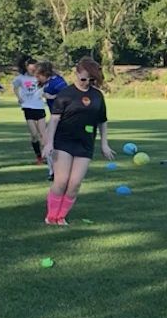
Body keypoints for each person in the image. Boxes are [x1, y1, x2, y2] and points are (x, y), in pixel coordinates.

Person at [41, 58, 115, 225]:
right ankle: (51, 216)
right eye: (83, 78)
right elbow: (53, 121)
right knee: (61, 181)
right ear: (76, 74)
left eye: (91, 80)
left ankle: (61, 216)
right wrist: (49, 143)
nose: (86, 82)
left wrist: (104, 144)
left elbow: (102, 121)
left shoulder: (97, 96)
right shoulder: (65, 94)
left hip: (85, 144)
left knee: (74, 184)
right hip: (63, 141)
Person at [35, 60, 69, 182]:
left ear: (45, 73)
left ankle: (55, 171)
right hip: (55, 117)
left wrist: (53, 97)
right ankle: (53, 171)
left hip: (63, 118)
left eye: (38, 76)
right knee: (49, 143)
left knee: (49, 143)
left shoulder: (57, 82)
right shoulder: (48, 82)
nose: (37, 78)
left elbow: (68, 95)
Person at [14, 55, 49, 168]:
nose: (32, 71)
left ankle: (45, 157)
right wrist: (19, 97)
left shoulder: (39, 77)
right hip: (28, 107)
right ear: (26, 68)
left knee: (43, 134)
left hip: (39, 107)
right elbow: (15, 87)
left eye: (34, 69)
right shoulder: (20, 78)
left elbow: (46, 85)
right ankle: (38, 155)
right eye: (30, 69)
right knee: (34, 135)